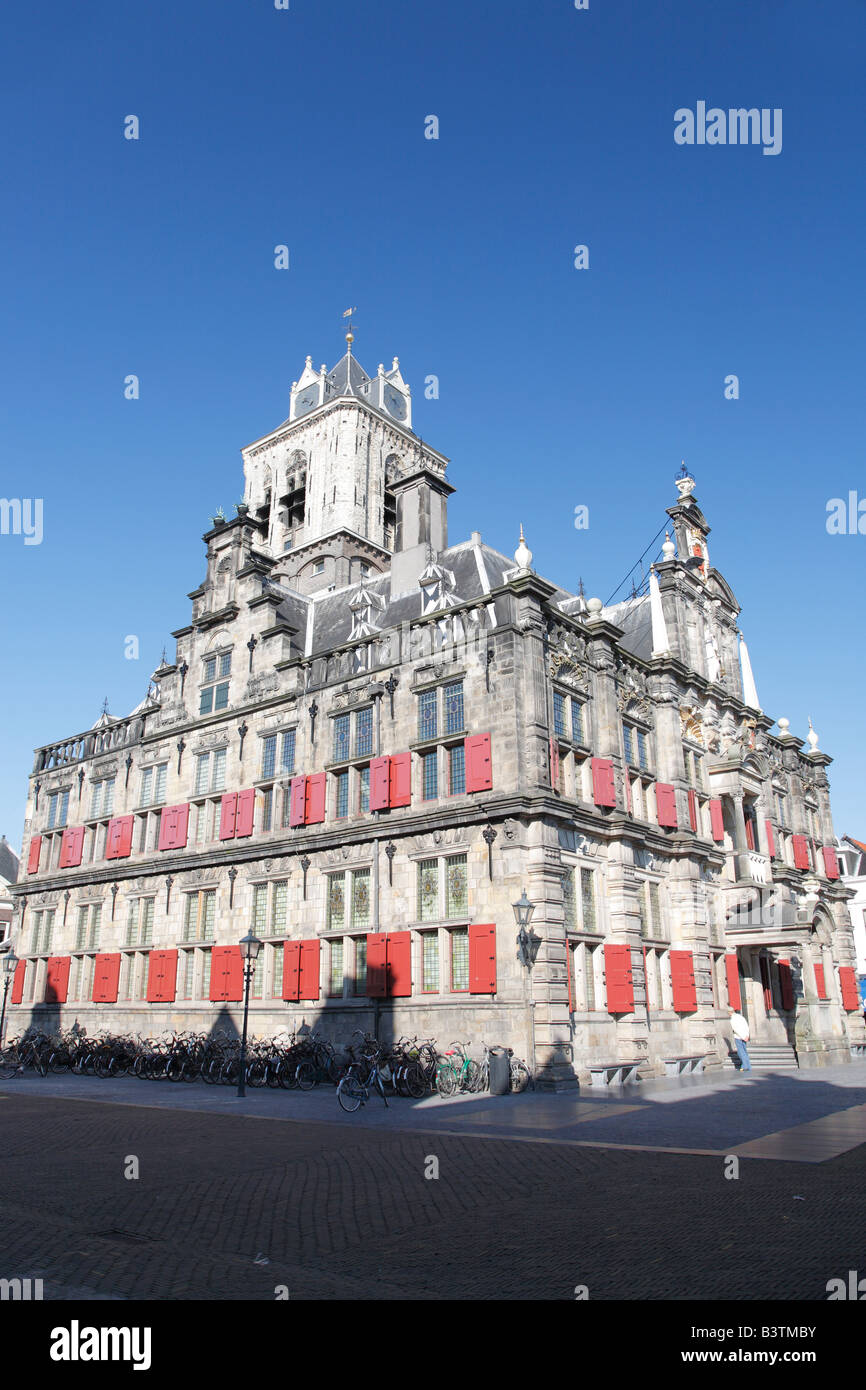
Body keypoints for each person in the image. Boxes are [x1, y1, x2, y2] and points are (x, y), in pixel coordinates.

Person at [730, 1008, 751, 1073]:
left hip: (738, 1037)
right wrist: (747, 1035)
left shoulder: (732, 1019)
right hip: (745, 1036)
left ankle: (744, 1066)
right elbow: (746, 1026)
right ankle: (748, 1065)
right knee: (744, 1051)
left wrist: (742, 1036)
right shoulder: (741, 1017)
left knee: (741, 1052)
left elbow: (735, 1029)